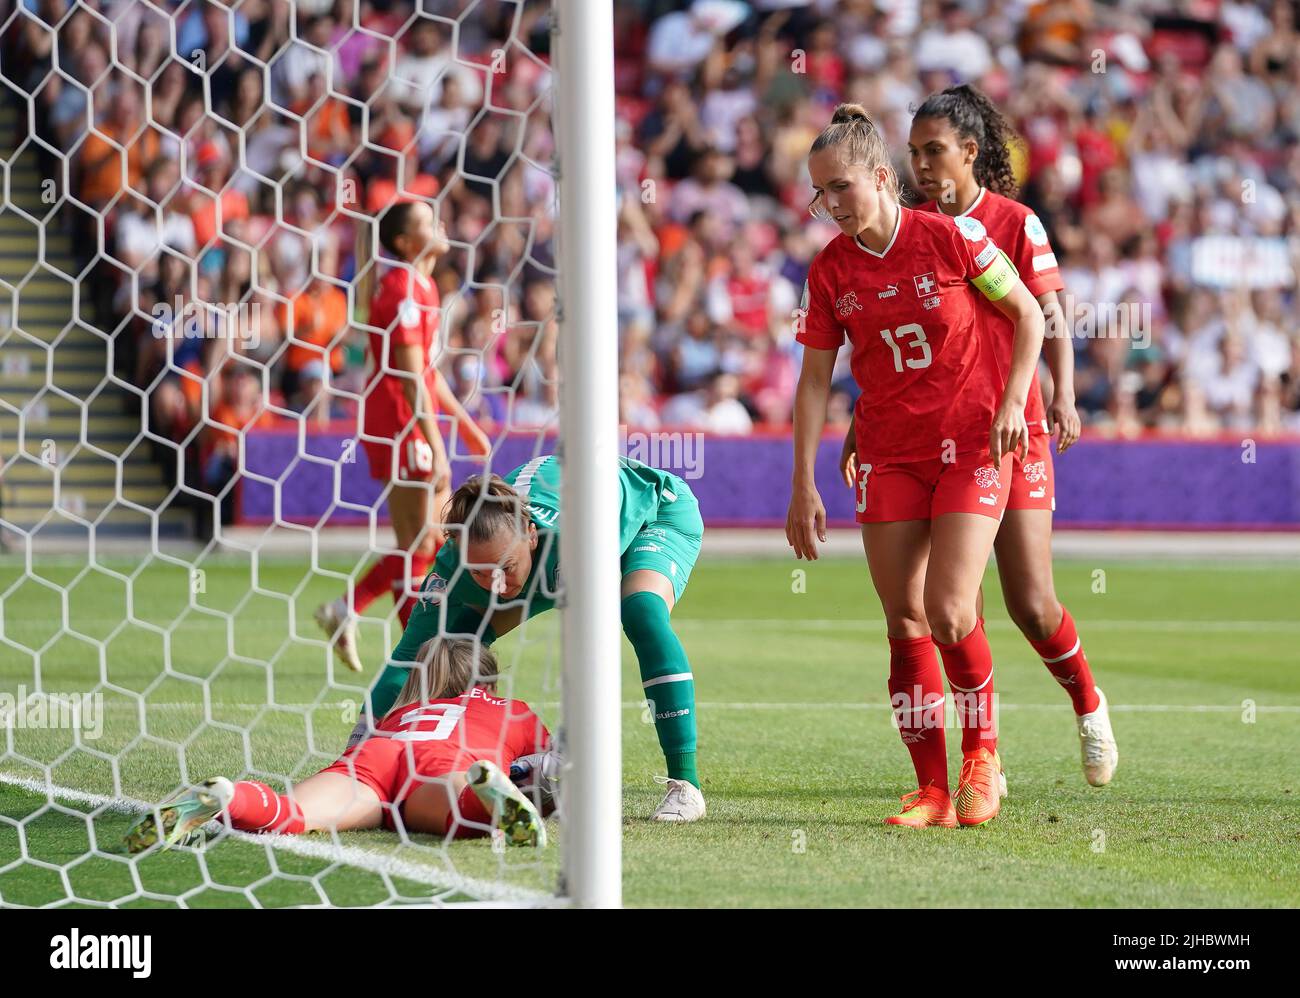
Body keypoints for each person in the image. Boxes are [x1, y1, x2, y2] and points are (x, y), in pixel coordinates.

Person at [786, 104, 1045, 828]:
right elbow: (813, 382)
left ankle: (982, 759)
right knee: (905, 622)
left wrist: (1013, 403)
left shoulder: (952, 239)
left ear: (880, 177)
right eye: (819, 193)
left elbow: (1028, 314)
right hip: (888, 453)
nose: (829, 205)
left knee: (952, 610)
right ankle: (930, 790)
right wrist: (803, 481)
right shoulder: (830, 270)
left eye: (840, 188)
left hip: (969, 445)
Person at [869, 84, 1117, 787]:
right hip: (936, 435)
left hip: (1014, 428)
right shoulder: (912, 228)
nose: (921, 164)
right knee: (951, 603)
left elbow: (1048, 309)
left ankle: (1088, 704)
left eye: (934, 150)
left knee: (1031, 602)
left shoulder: (1013, 221)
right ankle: (986, 758)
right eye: (913, 152)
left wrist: (1061, 394)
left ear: (971, 153)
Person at [353, 453, 708, 823]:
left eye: (505, 567)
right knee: (442, 650)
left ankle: (686, 785)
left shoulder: (578, 541)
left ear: (531, 535)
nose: (497, 585)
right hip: (551, 558)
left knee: (640, 612)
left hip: (655, 514)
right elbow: (407, 662)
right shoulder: (450, 570)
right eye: (480, 573)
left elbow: (593, 653)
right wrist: (353, 759)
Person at [124, 639, 549, 852]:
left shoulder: (401, 712)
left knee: (291, 814)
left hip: (377, 757)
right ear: (488, 678)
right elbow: (553, 764)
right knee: (462, 812)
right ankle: (486, 793)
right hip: (446, 764)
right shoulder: (512, 710)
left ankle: (230, 798)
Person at [315, 200, 491, 672]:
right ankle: (423, 657)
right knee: (425, 541)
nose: (440, 225)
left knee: (426, 541)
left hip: (409, 420)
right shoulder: (402, 289)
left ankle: (356, 614)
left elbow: (428, 374)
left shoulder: (425, 286)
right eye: (426, 222)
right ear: (404, 242)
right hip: (399, 423)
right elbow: (412, 378)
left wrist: (464, 423)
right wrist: (437, 445)